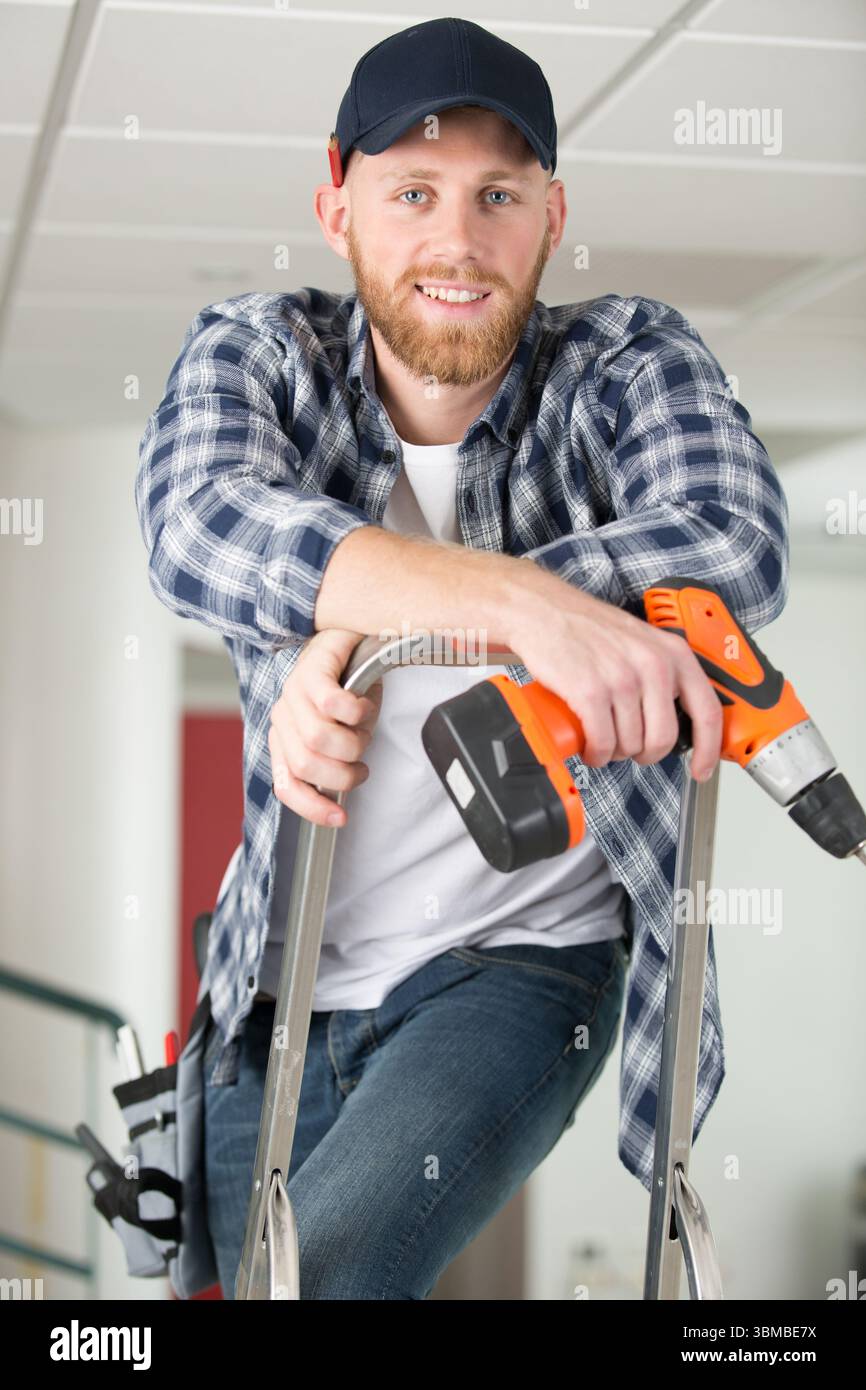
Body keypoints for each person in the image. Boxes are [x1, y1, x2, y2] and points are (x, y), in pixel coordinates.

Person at [135, 17, 789, 1299]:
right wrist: (525, 611)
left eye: (498, 195)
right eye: (412, 192)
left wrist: (455, 604)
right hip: (277, 976)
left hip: (518, 962)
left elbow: (733, 545)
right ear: (335, 204)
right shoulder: (261, 352)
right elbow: (193, 525)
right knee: (193, 1269)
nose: (456, 239)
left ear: (551, 215)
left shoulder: (623, 361)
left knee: (311, 1278)